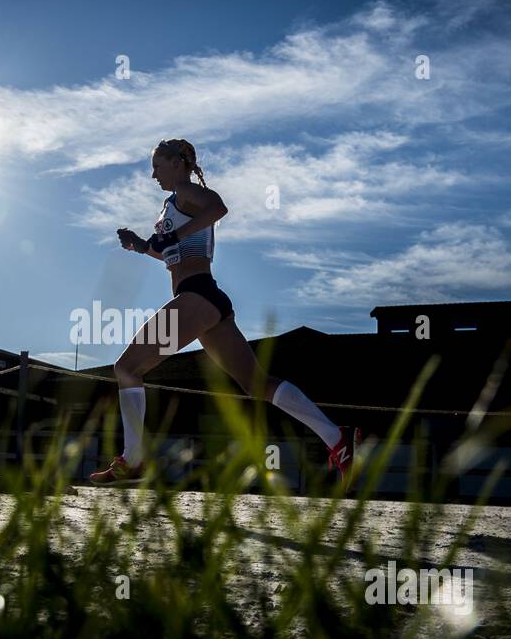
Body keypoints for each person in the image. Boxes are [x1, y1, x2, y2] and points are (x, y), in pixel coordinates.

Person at [88, 138, 363, 488]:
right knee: (256, 384)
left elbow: (218, 207)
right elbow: (174, 254)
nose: (152, 174)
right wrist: (143, 247)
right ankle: (337, 438)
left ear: (177, 163)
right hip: (209, 301)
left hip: (197, 296)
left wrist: (175, 235)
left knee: (126, 367)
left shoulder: (187, 190)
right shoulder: (172, 203)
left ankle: (134, 460)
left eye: (157, 166)